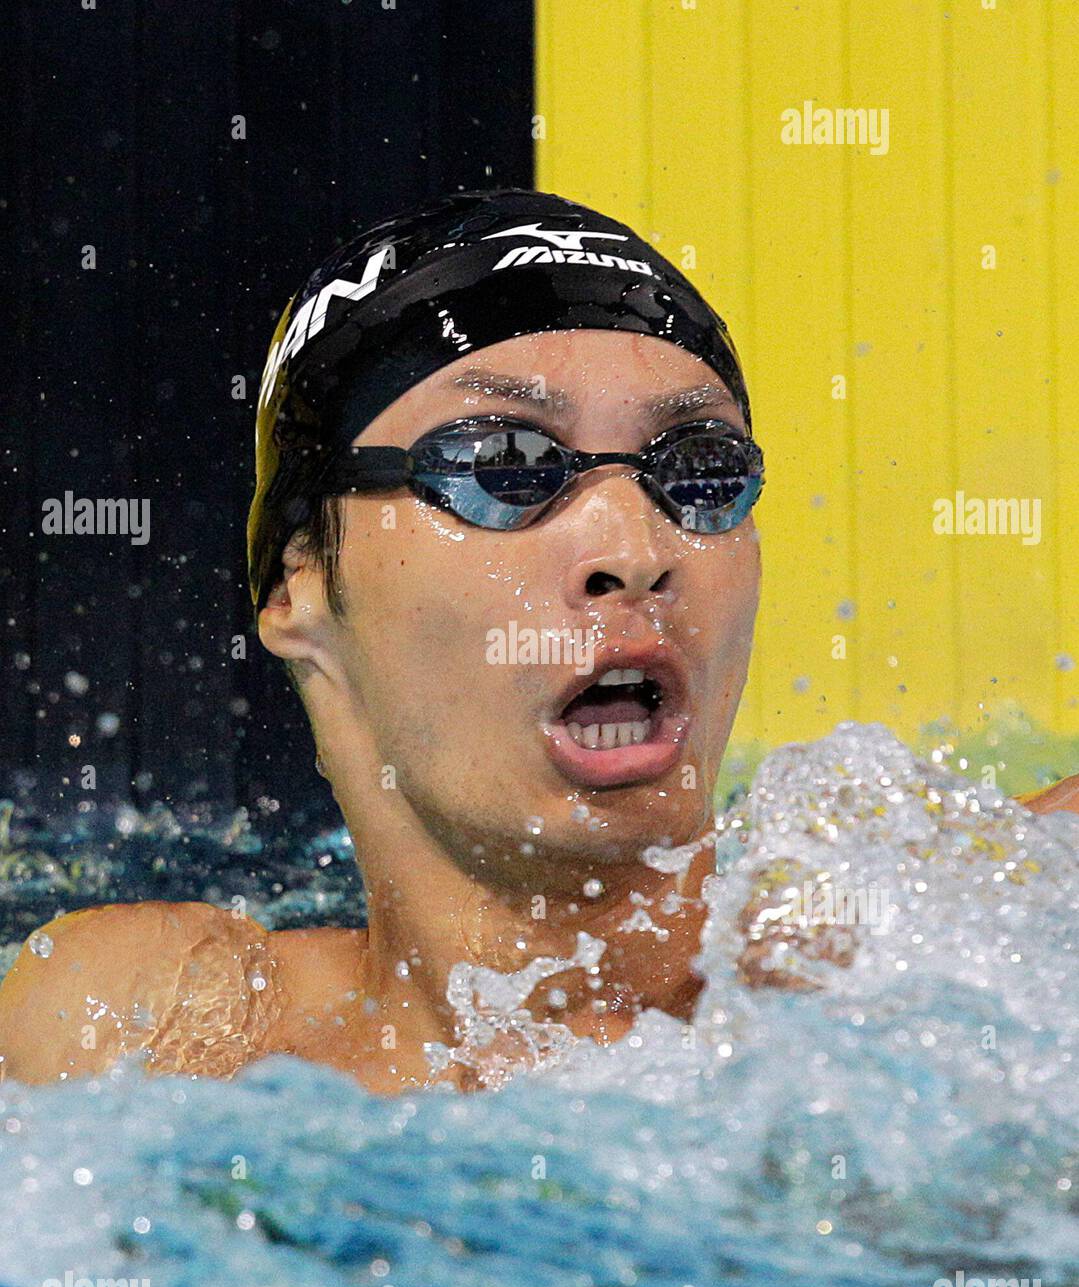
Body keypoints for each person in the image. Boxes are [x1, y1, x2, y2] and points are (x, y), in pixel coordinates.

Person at [0, 190, 1074, 1092]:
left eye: (695, 469)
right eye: (505, 465)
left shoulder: (950, 949)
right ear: (300, 584)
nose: (634, 546)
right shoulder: (159, 1020)